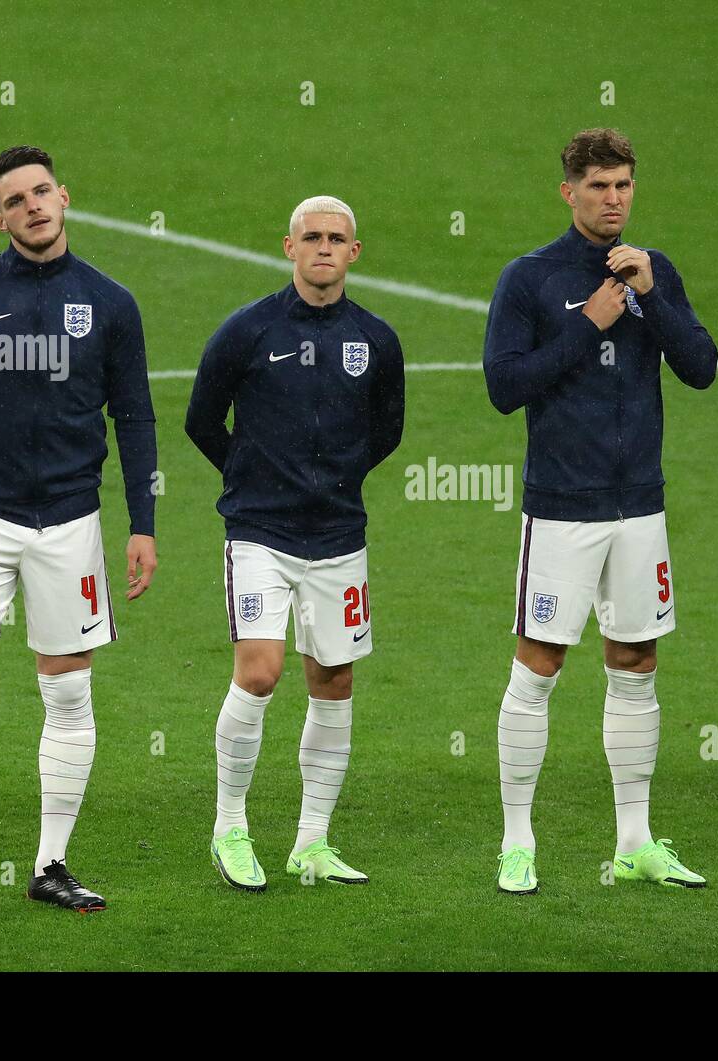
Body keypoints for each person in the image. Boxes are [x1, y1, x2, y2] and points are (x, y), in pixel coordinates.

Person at [0, 145, 159, 915]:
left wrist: (142, 523)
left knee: (70, 690)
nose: (33, 206)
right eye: (16, 200)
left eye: (42, 191)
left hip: (71, 522)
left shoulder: (110, 302)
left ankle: (51, 862)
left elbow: (136, 416)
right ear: (0, 217)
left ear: (65, 196)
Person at [483, 128, 718, 895]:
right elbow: (504, 386)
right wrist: (588, 322)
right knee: (541, 665)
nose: (612, 200)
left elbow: (702, 367)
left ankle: (635, 841)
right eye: (598, 187)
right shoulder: (530, 279)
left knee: (637, 665)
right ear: (568, 192)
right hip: (562, 509)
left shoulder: (654, 273)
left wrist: (649, 295)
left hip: (639, 507)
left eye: (623, 186)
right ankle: (518, 840)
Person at [186, 195, 404, 892]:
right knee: (259, 670)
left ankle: (312, 841)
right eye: (311, 236)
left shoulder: (376, 340)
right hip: (259, 532)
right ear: (288, 247)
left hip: (339, 536)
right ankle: (229, 827)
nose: (323, 248)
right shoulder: (249, 330)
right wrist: (253, 476)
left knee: (334, 680)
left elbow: (386, 431)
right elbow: (200, 418)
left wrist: (330, 479)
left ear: (354, 252)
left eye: (336, 238)